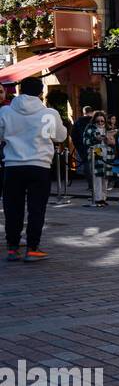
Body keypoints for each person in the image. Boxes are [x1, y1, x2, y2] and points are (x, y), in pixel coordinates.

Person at [0, 78, 68, 262]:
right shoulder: (49, 113)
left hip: (13, 166)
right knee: (36, 208)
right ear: (40, 93)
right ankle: (32, 248)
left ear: (20, 90)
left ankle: (13, 248)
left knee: (12, 208)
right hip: (40, 166)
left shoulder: (5, 111)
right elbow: (60, 137)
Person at [83, 112, 111, 207]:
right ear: (94, 120)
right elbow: (85, 141)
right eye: (98, 121)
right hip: (96, 153)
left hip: (107, 154)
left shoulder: (108, 129)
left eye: (102, 121)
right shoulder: (90, 128)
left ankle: (103, 198)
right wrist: (96, 139)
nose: (100, 123)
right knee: (97, 177)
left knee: (105, 178)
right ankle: (98, 198)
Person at [72, 105, 94, 191]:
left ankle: (90, 184)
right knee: (97, 162)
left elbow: (73, 135)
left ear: (83, 112)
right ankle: (98, 183)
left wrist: (78, 146)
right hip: (95, 146)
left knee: (87, 164)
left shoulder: (78, 122)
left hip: (83, 147)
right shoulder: (95, 120)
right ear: (91, 112)